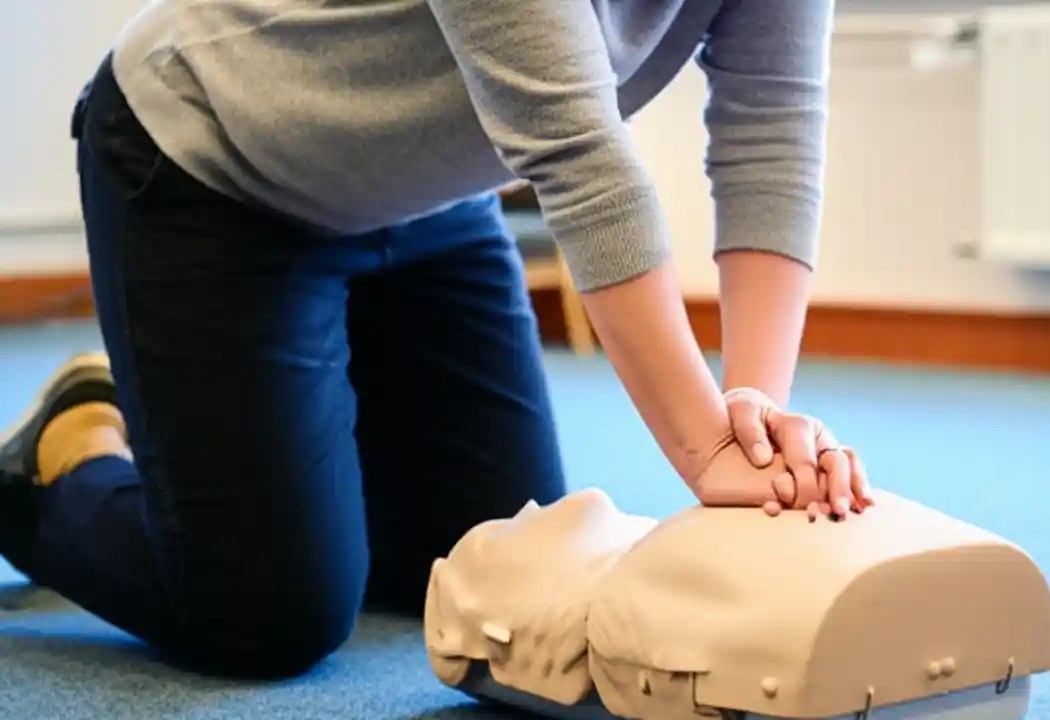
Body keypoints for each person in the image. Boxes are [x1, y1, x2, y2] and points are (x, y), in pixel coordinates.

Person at [0, 0, 872, 680]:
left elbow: (773, 122)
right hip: (219, 168)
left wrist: (753, 411)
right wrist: (706, 445)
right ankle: (57, 461)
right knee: (268, 615)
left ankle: (240, 440)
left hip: (429, 203)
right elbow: (580, 153)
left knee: (492, 566)